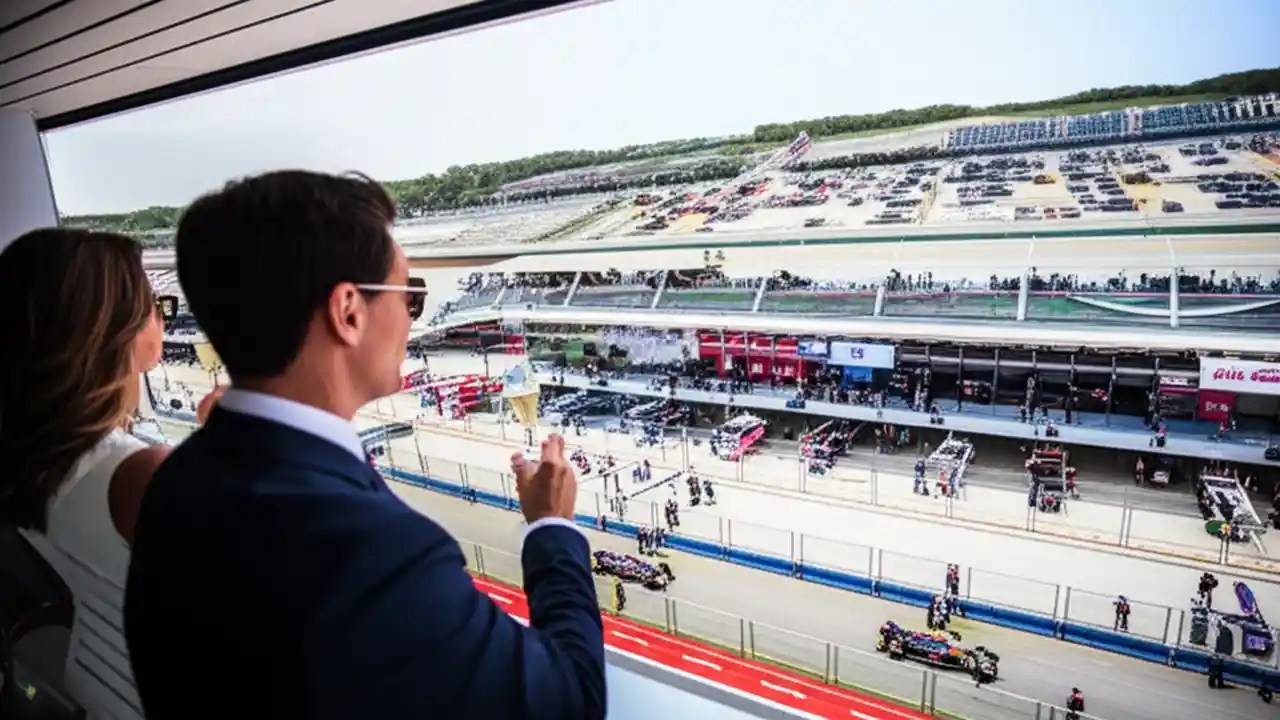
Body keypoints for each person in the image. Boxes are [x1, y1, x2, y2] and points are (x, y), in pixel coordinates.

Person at [124, 172, 606, 720]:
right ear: (348, 312)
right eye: (410, 295)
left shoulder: (174, 482)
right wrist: (552, 530)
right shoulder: (379, 554)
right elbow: (573, 700)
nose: (410, 318)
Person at [0, 228, 174, 720]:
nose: (161, 318)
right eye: (152, 303)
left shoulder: (32, 453)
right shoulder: (137, 474)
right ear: (110, 329)